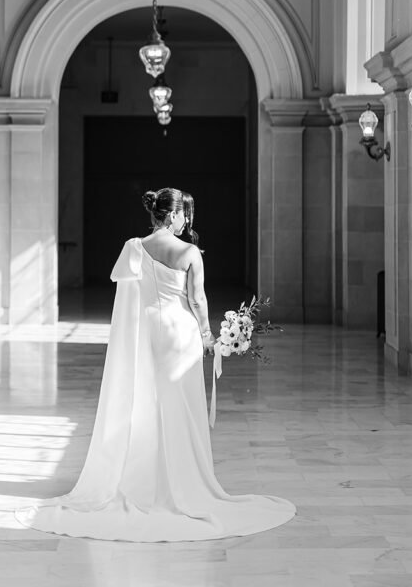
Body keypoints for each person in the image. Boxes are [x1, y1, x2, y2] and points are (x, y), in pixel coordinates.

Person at [15, 187, 295, 541]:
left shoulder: (136, 247)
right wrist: (209, 336)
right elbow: (197, 299)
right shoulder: (190, 252)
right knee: (180, 407)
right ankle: (183, 481)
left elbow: (130, 292)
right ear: (174, 215)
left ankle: (145, 479)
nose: (186, 221)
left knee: (147, 402)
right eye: (184, 215)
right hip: (179, 334)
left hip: (146, 332)